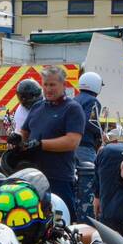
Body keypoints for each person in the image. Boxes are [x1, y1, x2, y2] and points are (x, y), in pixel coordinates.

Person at [9, 65, 84, 219]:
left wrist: (41, 144)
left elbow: (72, 141)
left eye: (52, 84)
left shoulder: (72, 108)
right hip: (33, 177)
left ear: (64, 85)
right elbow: (24, 133)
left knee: (63, 221)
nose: (48, 89)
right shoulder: (37, 107)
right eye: (45, 84)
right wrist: (17, 139)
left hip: (59, 177)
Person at [73, 71, 104, 221]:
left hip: (73, 144)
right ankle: (89, 214)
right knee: (91, 176)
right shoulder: (93, 101)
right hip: (85, 145)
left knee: (76, 178)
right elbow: (91, 121)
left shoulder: (75, 99)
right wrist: (101, 132)